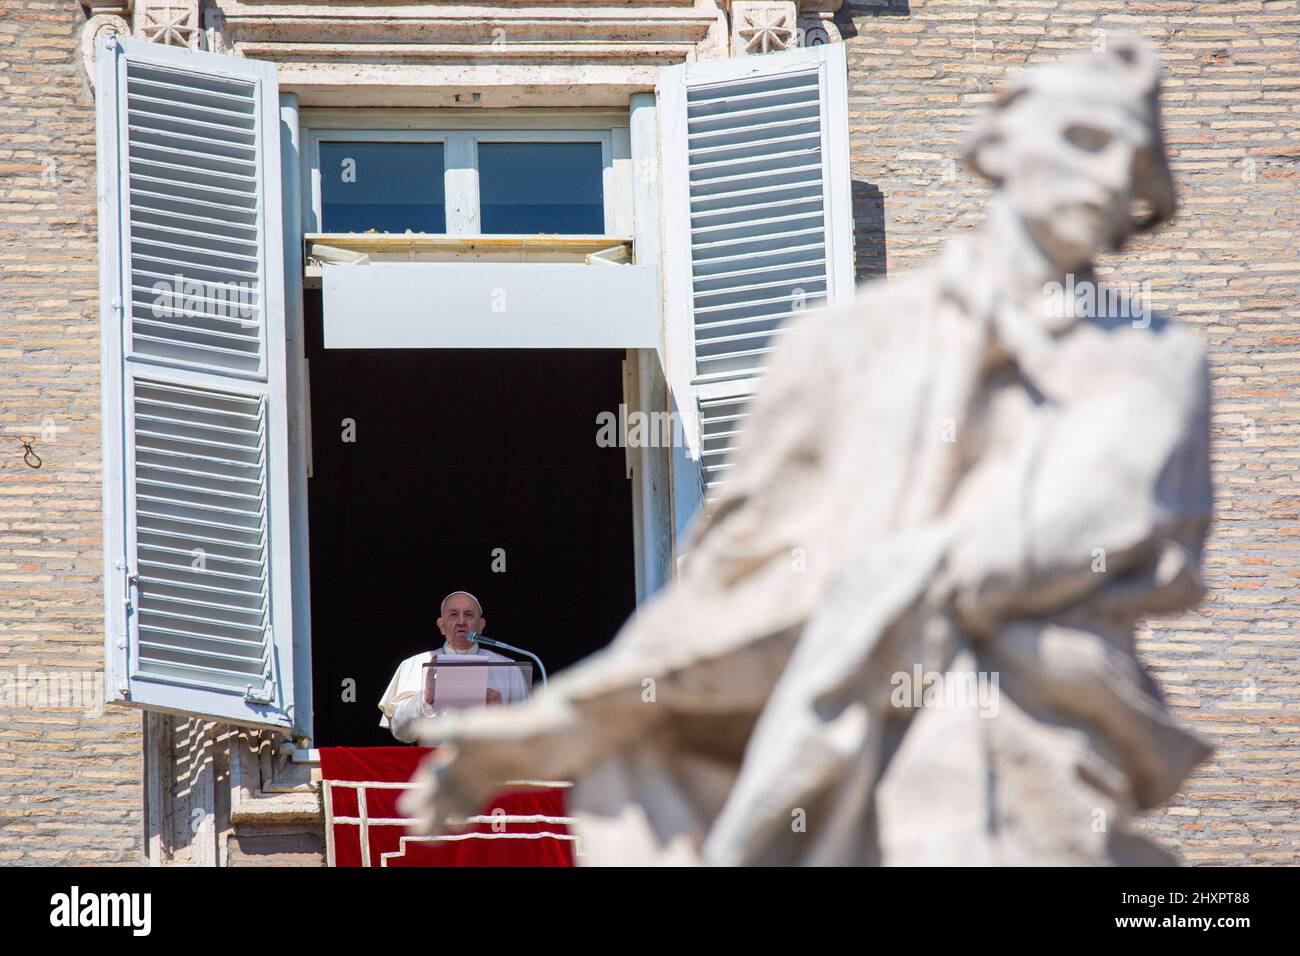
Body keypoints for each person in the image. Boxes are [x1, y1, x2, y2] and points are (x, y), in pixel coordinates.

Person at [400, 35, 1212, 865]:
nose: (1112, 177)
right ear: (998, 145)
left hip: (1031, 750)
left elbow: (1047, 539)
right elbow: (737, 570)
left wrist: (568, 721)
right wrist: (576, 714)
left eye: (1137, 165)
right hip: (825, 754)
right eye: (1084, 139)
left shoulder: (1152, 363)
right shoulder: (842, 343)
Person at [377, 591, 530, 744]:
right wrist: (425, 698)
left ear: (481, 625)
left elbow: (527, 735)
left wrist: (499, 715)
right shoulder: (414, 664)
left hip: (489, 764)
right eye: (453, 615)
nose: (461, 621)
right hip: (436, 762)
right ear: (441, 625)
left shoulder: (508, 668)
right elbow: (400, 732)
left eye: (468, 615)